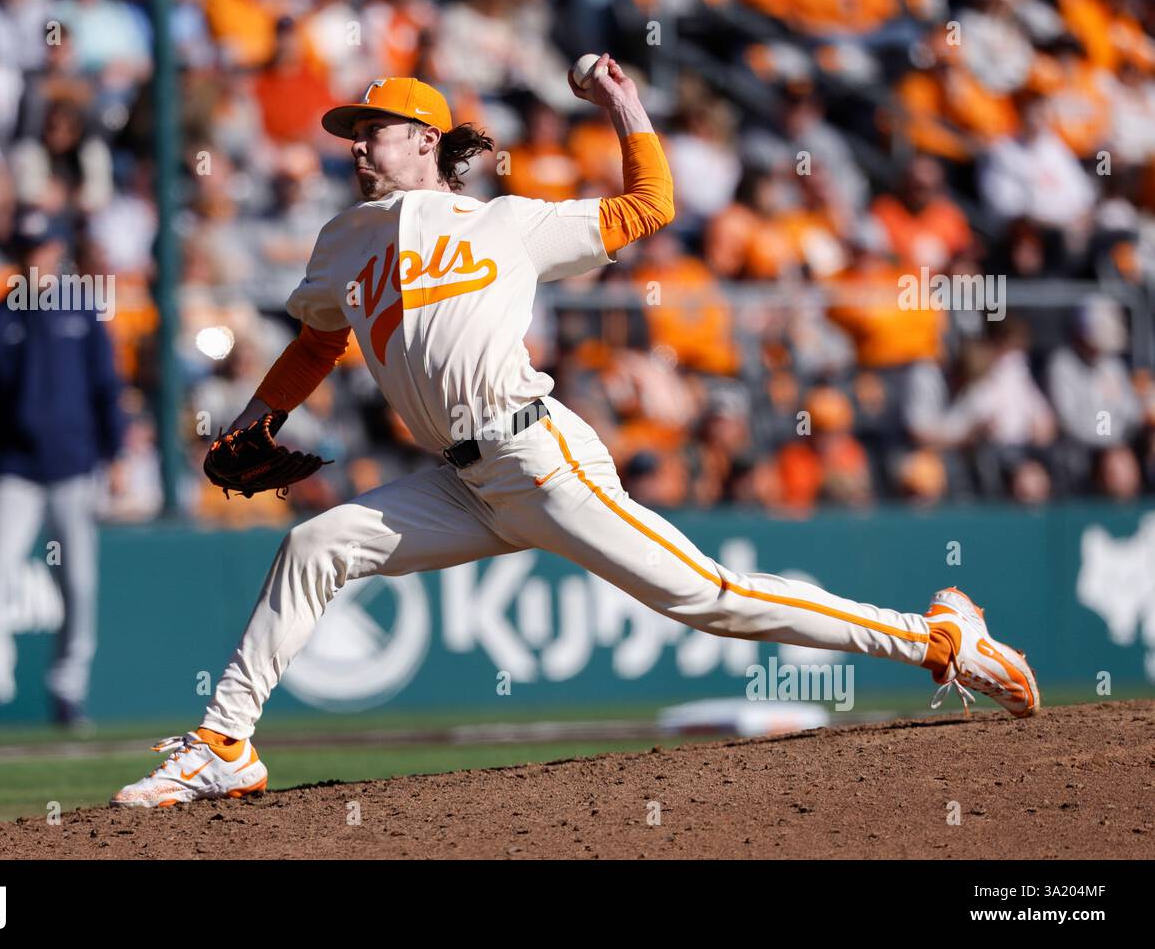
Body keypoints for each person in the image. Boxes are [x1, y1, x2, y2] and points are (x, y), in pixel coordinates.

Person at [112, 59, 1040, 808]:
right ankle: (224, 745)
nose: (357, 145)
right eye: (352, 133)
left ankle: (938, 638)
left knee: (707, 596)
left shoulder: (509, 224)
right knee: (317, 542)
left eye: (373, 130)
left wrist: (623, 101)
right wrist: (256, 418)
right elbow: (318, 342)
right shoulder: (343, 238)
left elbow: (649, 207)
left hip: (537, 455)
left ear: (425, 140)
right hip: (459, 482)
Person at [0, 212, 125, 737]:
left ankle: (68, 692)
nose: (34, 260)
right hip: (15, 469)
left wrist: (115, 455)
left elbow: (106, 390)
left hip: (74, 466)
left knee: (77, 584)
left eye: (41, 249)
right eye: (25, 251)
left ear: (55, 251)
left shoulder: (82, 312)